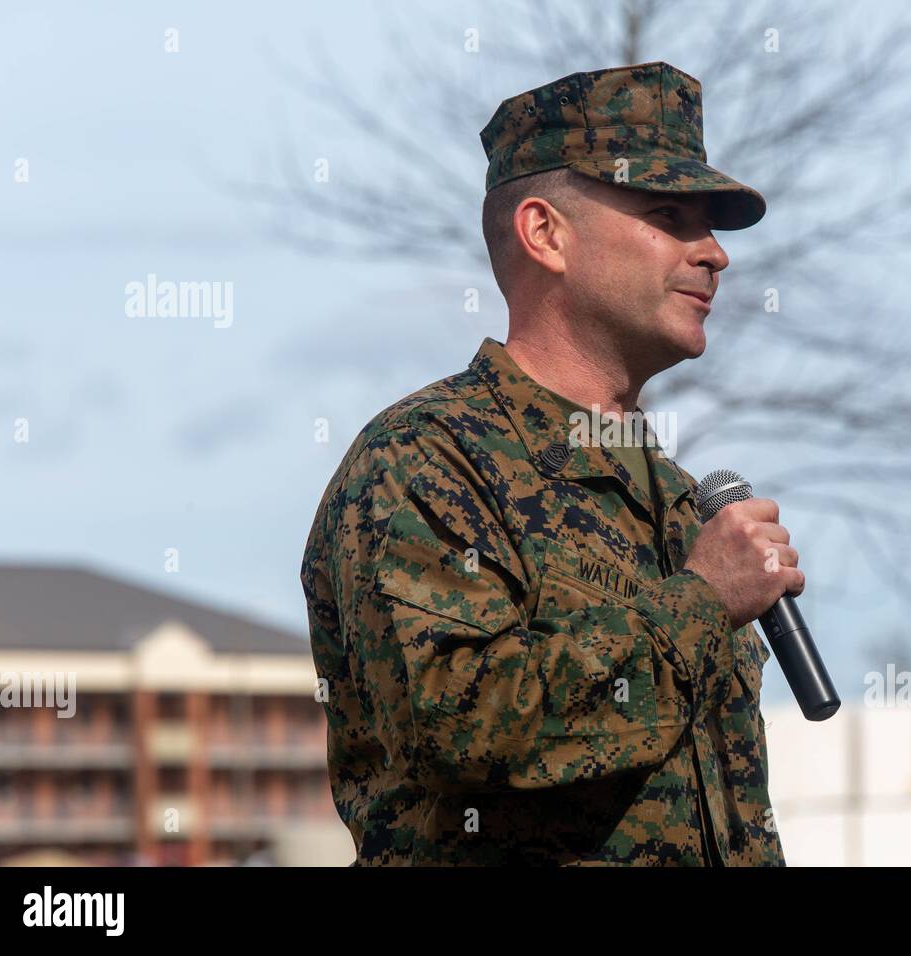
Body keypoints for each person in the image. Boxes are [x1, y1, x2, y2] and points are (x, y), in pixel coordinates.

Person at [300, 61, 804, 866]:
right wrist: (702, 607)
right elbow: (460, 728)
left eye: (707, 225)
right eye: (668, 213)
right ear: (545, 234)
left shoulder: (676, 501)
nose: (714, 254)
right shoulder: (423, 461)